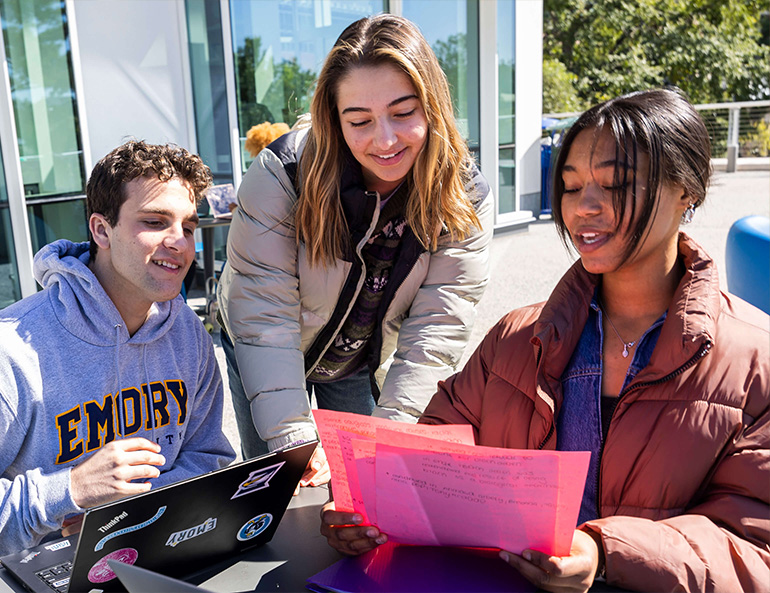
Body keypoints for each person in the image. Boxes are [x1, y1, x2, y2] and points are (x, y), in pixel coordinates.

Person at [321, 88, 770, 592]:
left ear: (685, 190)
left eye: (615, 185)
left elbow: (753, 544)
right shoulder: (516, 338)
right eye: (572, 187)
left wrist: (604, 552)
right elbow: (429, 462)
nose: (584, 208)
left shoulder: (758, 363)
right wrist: (366, 505)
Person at [0, 141, 235, 567]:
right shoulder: (5, 349)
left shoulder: (186, 333)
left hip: (150, 559)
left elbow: (208, 457)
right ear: (101, 230)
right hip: (32, 574)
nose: (180, 243)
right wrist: (68, 491)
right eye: (155, 221)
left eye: (188, 226)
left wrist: (130, 511)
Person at [217, 14, 494, 483]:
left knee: (368, 477)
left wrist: (397, 433)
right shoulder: (282, 175)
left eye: (404, 113)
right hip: (264, 336)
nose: (384, 140)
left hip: (356, 352)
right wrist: (292, 439)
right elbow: (263, 316)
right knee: (279, 482)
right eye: (359, 121)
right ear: (333, 119)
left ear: (432, 106)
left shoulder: (462, 193)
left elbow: (438, 325)